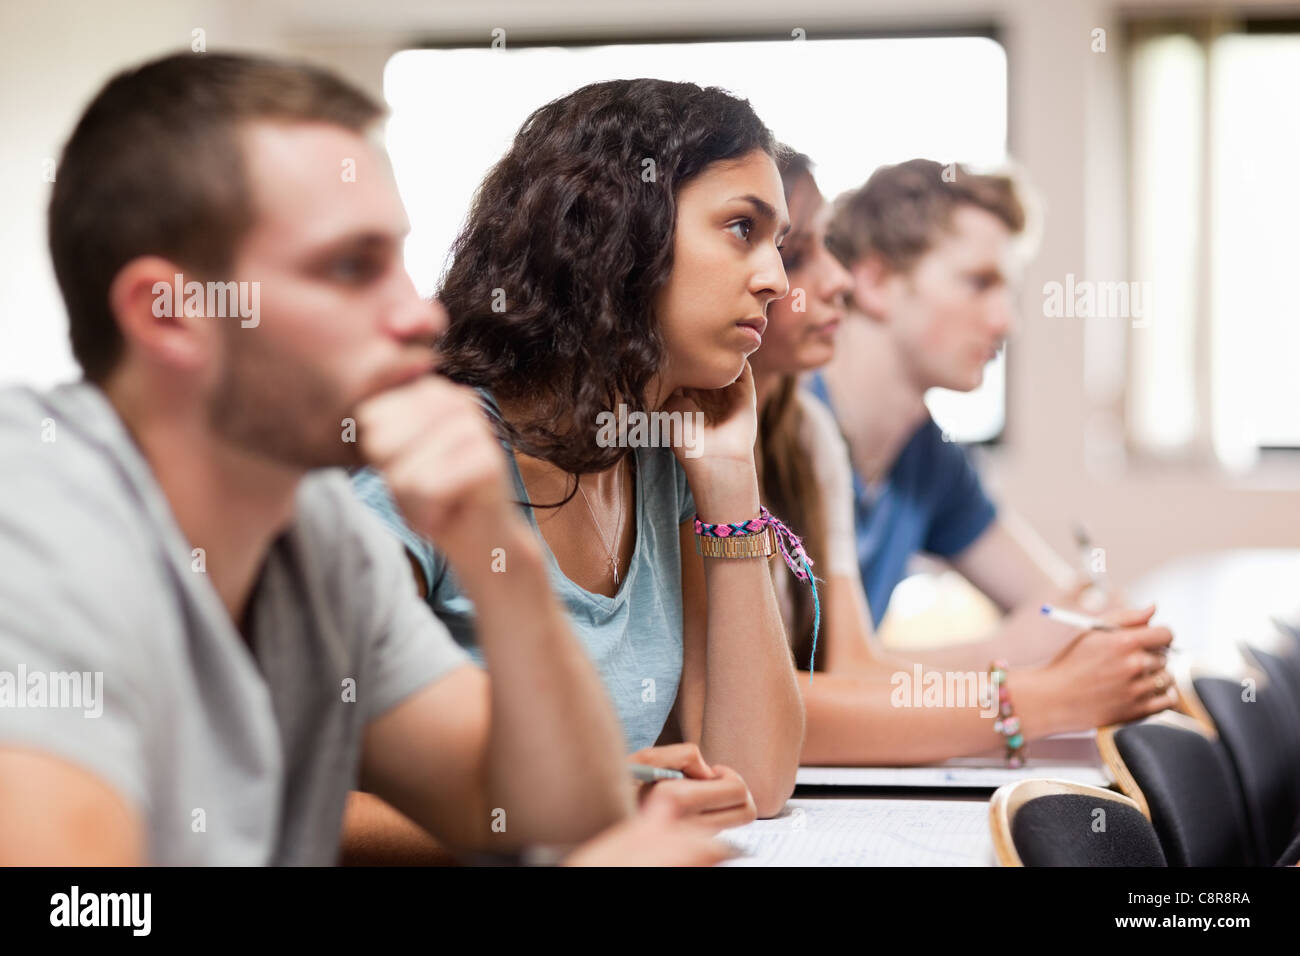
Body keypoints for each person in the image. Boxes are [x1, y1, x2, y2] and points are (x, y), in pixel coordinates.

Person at [0, 51, 728, 866]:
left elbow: (554, 809)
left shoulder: (312, 532)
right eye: (351, 267)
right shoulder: (31, 526)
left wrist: (500, 558)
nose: (420, 317)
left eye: (398, 260)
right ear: (168, 315)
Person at [353, 78, 804, 824]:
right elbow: (307, 806)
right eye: (740, 229)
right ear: (617, 229)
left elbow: (752, 780)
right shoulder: (426, 459)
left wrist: (730, 485)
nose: (776, 281)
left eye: (778, 245)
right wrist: (580, 806)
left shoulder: (662, 456)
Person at [746, 151, 1177, 765]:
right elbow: (790, 693)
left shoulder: (924, 453)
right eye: (978, 283)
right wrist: (1010, 662)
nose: (1006, 321)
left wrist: (1087, 643)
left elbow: (1058, 604)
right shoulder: (772, 413)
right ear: (872, 281)